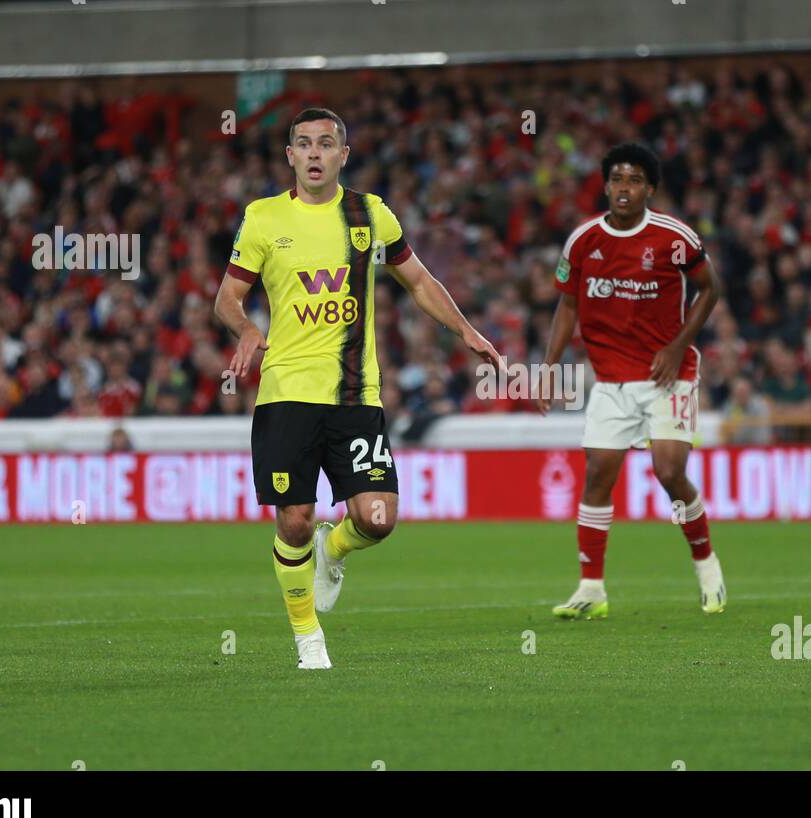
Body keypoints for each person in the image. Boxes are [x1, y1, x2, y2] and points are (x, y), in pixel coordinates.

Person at [214, 108, 501, 669]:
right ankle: (308, 638)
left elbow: (417, 279)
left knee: (377, 518)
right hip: (287, 392)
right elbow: (227, 297)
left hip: (355, 395)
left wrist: (465, 328)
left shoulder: (371, 214)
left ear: (344, 155)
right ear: (290, 156)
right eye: (304, 144)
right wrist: (247, 327)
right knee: (293, 518)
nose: (315, 153)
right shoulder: (264, 218)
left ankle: (334, 547)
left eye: (326, 144)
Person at [536, 142, 726, 619]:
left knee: (667, 471)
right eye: (618, 179)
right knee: (598, 476)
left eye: (635, 180)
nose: (625, 188)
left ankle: (706, 564)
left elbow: (711, 288)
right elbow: (569, 304)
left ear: (650, 189)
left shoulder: (672, 237)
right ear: (605, 186)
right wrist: (549, 365)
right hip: (612, 380)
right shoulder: (583, 241)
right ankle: (591, 589)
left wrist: (680, 344)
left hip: (669, 374)